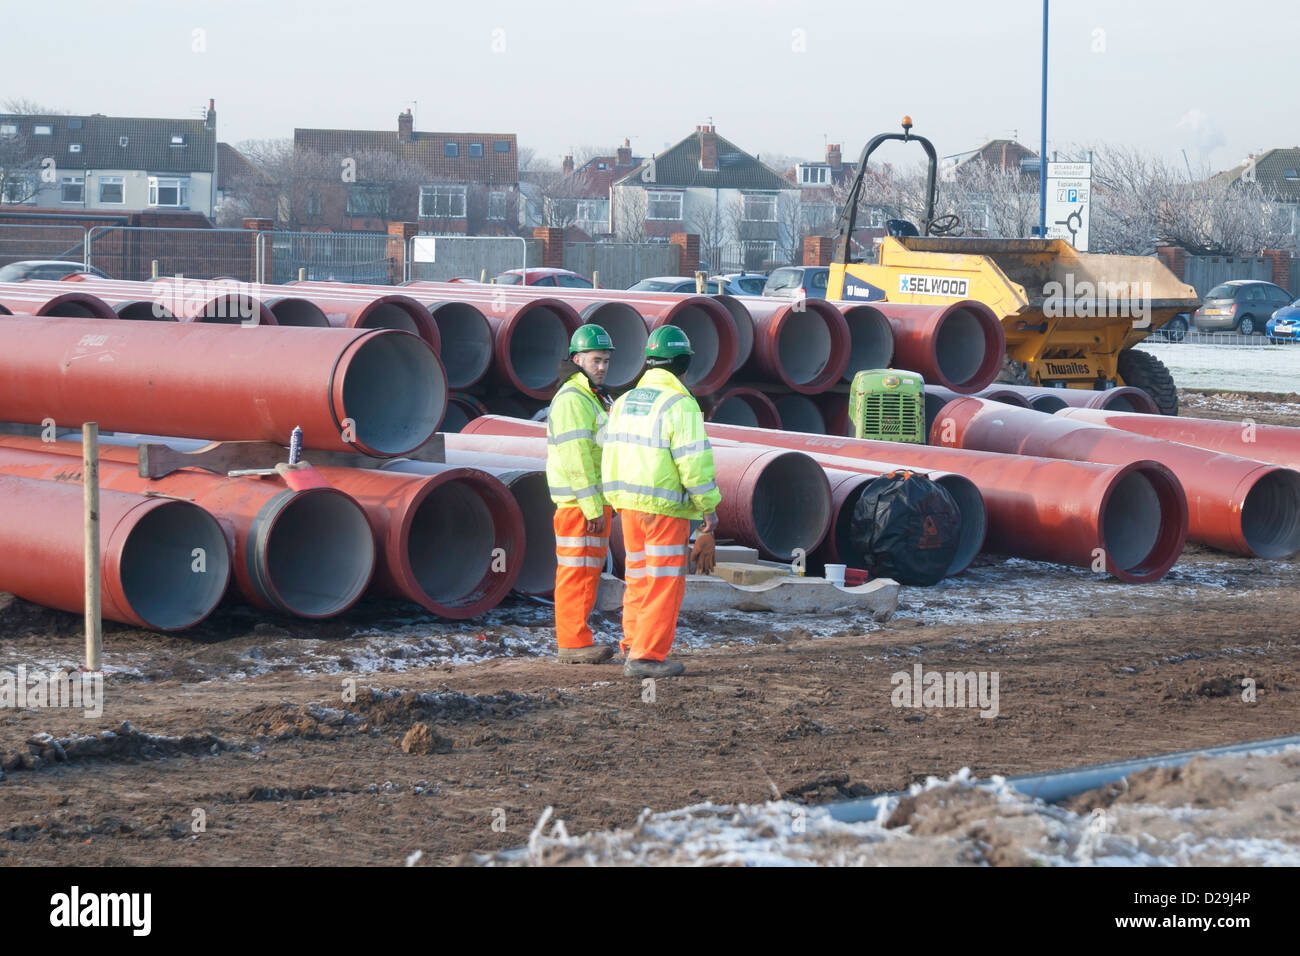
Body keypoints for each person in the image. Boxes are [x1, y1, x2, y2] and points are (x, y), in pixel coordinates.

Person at [601, 325, 720, 679]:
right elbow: (694, 462)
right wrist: (707, 510)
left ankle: (633, 644)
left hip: (629, 509)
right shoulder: (681, 405)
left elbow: (610, 453)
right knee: (664, 581)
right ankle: (647, 656)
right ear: (684, 364)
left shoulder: (623, 402)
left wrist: (614, 499)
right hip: (665, 511)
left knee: (638, 578)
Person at [547, 324, 617, 664]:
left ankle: (577, 639)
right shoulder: (575, 399)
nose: (602, 366)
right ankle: (573, 643)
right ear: (577, 359)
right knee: (577, 573)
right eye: (595, 360)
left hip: (592, 504)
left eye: (606, 360)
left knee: (586, 573)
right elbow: (576, 458)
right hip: (580, 506)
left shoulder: (593, 396)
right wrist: (592, 508)